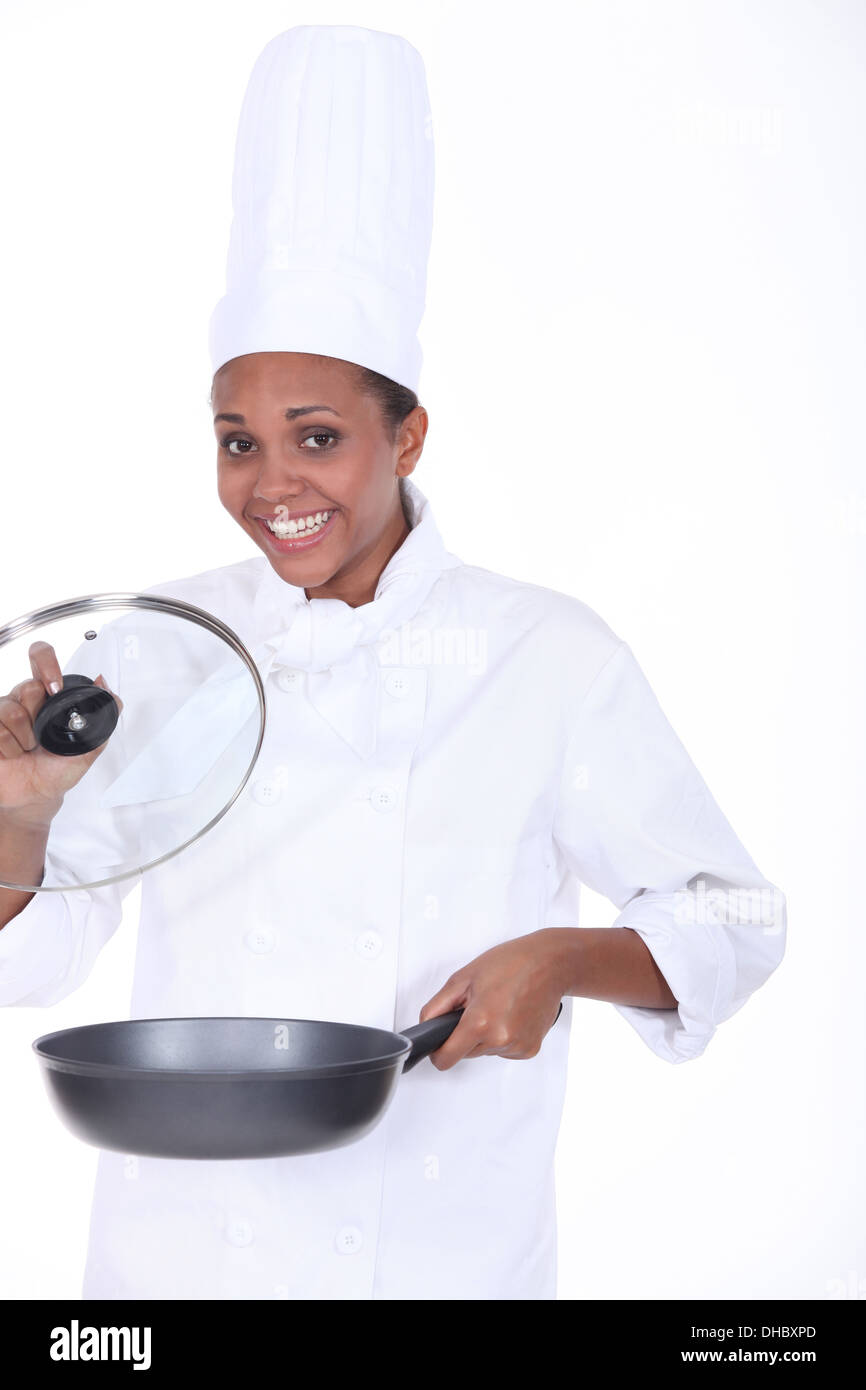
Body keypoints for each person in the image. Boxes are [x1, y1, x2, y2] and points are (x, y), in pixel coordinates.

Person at [0, 25, 786, 1301]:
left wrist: (565, 958)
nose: (271, 486)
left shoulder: (546, 655)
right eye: (236, 442)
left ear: (408, 432)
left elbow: (743, 916)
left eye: (316, 436)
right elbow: (34, 960)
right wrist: (19, 822)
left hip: (435, 1264)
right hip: (172, 1264)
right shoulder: (157, 647)